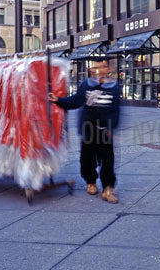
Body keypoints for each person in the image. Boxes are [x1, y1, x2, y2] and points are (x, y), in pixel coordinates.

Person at [49, 59, 121, 204]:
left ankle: (108, 188)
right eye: (95, 67)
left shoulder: (114, 87)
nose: (98, 69)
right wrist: (58, 100)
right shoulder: (86, 84)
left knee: (107, 160)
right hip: (88, 128)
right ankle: (91, 182)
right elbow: (75, 101)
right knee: (87, 159)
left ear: (108, 69)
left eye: (102, 67)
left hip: (105, 130)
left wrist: (112, 127)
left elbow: (116, 109)